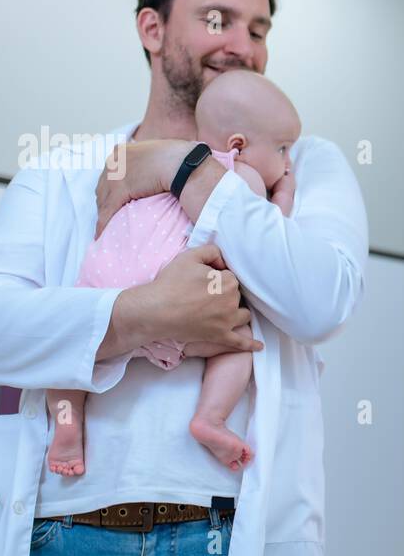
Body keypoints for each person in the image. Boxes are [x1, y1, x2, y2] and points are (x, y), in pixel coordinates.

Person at [0, 0, 368, 556]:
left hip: (226, 539)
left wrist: (184, 171)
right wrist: (141, 316)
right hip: (71, 543)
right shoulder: (64, 173)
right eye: (219, 17)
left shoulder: (299, 162)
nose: (243, 44)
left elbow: (320, 299)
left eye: (260, 27)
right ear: (151, 28)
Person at [45, 70, 302, 477]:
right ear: (239, 145)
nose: (288, 162)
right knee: (239, 344)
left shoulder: (160, 163)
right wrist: (283, 197)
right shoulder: (239, 177)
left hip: (109, 283)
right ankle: (209, 419)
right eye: (284, 149)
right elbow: (264, 240)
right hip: (181, 297)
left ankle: (67, 425)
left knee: (72, 356)